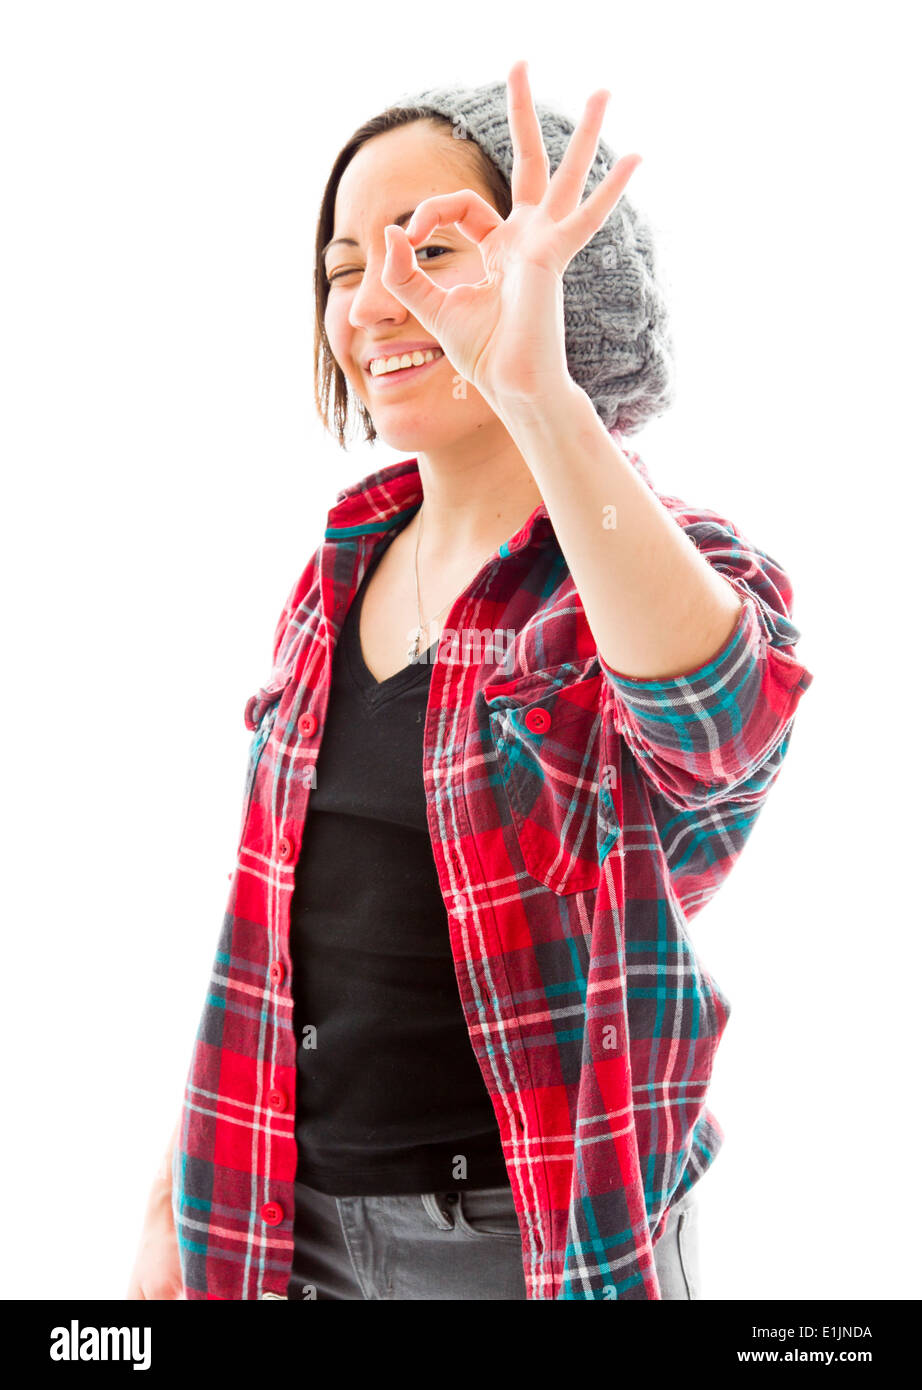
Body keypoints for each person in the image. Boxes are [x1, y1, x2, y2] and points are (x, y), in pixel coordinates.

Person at [128, 60, 814, 1301]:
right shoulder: (335, 572)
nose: (373, 300)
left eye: (431, 252)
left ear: (563, 285)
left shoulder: (656, 569)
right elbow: (274, 927)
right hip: (288, 1226)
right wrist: (176, 1192)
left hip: (528, 1240)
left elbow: (715, 728)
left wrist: (533, 388)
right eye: (344, 268)